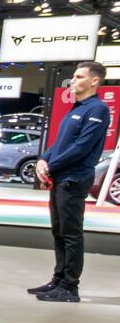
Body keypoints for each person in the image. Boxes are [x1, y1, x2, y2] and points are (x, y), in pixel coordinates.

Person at [29, 60, 112, 303]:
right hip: (62, 178)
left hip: (74, 179)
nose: (73, 81)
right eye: (73, 77)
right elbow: (60, 144)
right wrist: (43, 160)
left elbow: (81, 148)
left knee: (71, 233)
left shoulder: (97, 109)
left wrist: (51, 166)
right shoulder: (76, 109)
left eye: (78, 77)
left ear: (94, 80)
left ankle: (69, 288)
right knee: (59, 231)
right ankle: (58, 280)